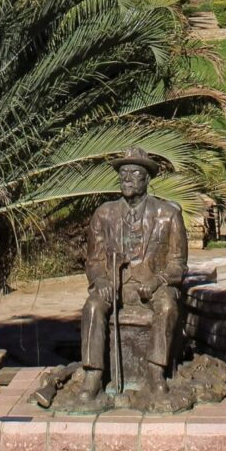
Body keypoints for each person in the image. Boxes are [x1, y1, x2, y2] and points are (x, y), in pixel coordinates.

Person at [79, 147, 187, 399]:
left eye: (134, 173)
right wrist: (102, 279)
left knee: (168, 307)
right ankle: (93, 375)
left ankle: (155, 371)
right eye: (122, 173)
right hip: (115, 285)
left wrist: (157, 281)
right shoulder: (104, 214)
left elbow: (178, 264)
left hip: (155, 286)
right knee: (93, 306)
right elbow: (93, 260)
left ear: (147, 179)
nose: (126, 178)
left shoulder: (168, 215)